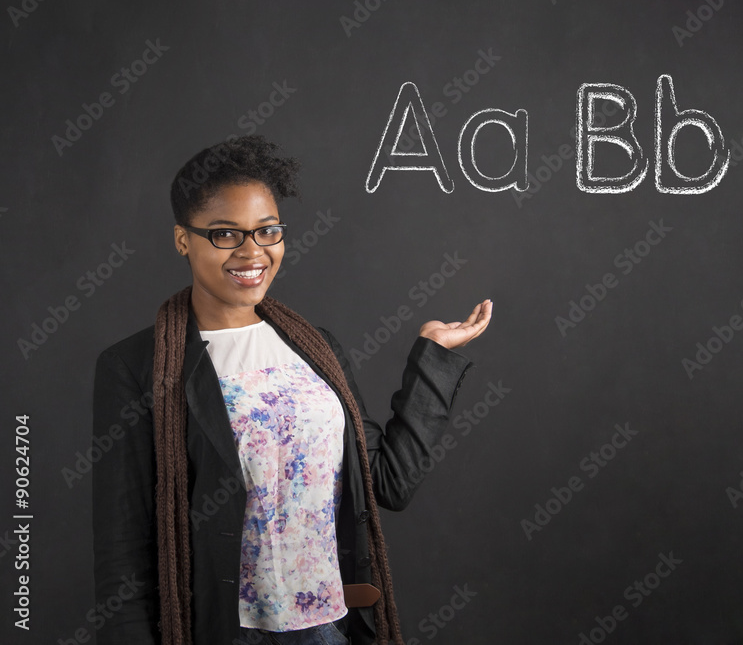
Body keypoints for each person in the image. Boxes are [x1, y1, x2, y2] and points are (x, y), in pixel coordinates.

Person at [91, 135, 492, 645]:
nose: (252, 252)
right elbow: (123, 548)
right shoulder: (135, 366)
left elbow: (389, 481)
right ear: (182, 239)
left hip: (326, 628)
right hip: (222, 632)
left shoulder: (316, 349)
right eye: (224, 234)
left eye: (268, 231)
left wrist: (432, 356)